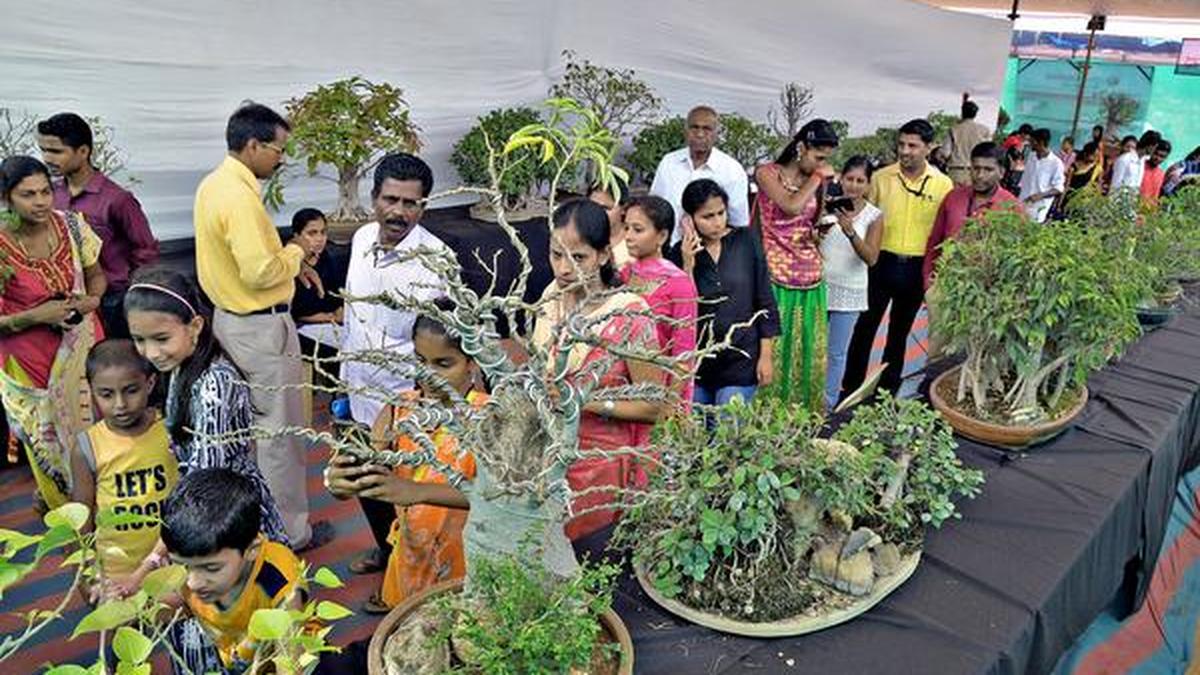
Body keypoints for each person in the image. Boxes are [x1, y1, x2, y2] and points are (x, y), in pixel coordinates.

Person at [193, 103, 327, 550]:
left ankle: (248, 527)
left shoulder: (213, 185)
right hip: (262, 330)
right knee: (280, 438)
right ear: (252, 145)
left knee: (243, 433)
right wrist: (294, 254)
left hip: (232, 323)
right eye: (278, 149)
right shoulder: (239, 197)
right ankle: (289, 533)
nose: (282, 158)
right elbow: (260, 272)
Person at [325, 298, 483, 613]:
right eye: (420, 360)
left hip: (468, 567)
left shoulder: (490, 418)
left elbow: (499, 497)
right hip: (410, 558)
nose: (428, 376)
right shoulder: (398, 409)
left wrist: (417, 492)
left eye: (443, 363)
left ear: (472, 363)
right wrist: (339, 481)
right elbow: (368, 468)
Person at [124, 267, 291, 547]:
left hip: (231, 519)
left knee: (262, 586)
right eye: (139, 340)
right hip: (213, 512)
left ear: (195, 326)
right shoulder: (180, 366)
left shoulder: (215, 385)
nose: (150, 353)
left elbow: (204, 478)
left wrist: (153, 559)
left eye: (161, 339)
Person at [341, 153, 450, 576]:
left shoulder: (436, 261)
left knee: (409, 494)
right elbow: (354, 316)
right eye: (391, 200)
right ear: (374, 198)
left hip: (406, 405)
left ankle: (405, 577)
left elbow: (439, 346)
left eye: (410, 204)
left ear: (425, 206)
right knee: (366, 483)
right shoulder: (361, 239)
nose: (398, 212)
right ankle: (385, 554)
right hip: (358, 394)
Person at [534, 199, 669, 539]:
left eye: (578, 257)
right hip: (545, 459)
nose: (564, 269)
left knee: (587, 560)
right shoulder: (551, 297)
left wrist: (583, 400)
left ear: (604, 255)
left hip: (599, 469)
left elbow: (655, 407)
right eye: (556, 255)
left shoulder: (629, 315)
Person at [0, 156, 106, 510]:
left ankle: (105, 514)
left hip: (83, 347)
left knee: (98, 436)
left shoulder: (73, 227)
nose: (41, 201)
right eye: (28, 194)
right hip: (31, 363)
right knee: (51, 447)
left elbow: (96, 275)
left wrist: (92, 300)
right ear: (7, 198)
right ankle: (71, 524)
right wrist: (34, 316)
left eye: (46, 191)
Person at [841, 119, 953, 398]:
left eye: (913, 146)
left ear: (928, 148)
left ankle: (886, 391)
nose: (905, 151)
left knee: (899, 332)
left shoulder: (943, 184)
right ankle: (850, 387)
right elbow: (865, 216)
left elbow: (943, 229)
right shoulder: (881, 178)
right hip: (881, 263)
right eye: (902, 144)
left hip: (916, 266)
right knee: (865, 327)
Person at [162, 468, 310, 675]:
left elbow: (290, 664)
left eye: (211, 568)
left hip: (279, 660)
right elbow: (161, 606)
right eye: (183, 566)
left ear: (252, 550)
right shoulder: (190, 560)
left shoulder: (279, 583)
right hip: (231, 652)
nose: (193, 583)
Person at [69, 339, 177, 599]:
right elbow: (81, 522)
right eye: (106, 394)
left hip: (171, 562)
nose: (120, 404)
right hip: (114, 573)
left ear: (149, 384)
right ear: (91, 391)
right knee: (119, 629)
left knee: (177, 624)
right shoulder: (86, 447)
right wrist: (91, 579)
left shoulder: (170, 431)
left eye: (130, 390)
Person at [37, 113, 158, 340]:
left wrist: (130, 293)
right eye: (43, 150)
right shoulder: (50, 194)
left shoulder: (117, 199)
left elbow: (146, 250)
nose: (47, 158)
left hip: (112, 301)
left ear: (83, 151)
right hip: (68, 302)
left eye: (56, 151)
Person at [753, 119, 840, 411]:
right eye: (818, 157)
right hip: (775, 278)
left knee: (806, 354)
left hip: (811, 276)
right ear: (801, 147)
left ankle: (800, 418)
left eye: (826, 159)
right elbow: (789, 206)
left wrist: (821, 230)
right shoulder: (767, 173)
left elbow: (811, 221)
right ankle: (766, 418)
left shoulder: (818, 182)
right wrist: (817, 178)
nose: (822, 164)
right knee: (774, 352)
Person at [668, 179, 779, 406]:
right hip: (698, 362)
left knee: (728, 426)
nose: (717, 222)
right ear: (689, 219)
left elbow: (764, 298)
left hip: (742, 357)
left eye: (721, 213)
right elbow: (682, 309)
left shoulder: (746, 241)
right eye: (707, 217)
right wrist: (688, 265)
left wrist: (766, 357)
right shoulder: (677, 255)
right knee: (699, 433)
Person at [922, 142, 1022, 359]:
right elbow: (934, 242)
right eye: (975, 168)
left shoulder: (1013, 208)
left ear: (1002, 172)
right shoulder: (953, 198)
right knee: (938, 350)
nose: (979, 175)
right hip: (945, 290)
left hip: (987, 294)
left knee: (979, 355)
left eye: (988, 170)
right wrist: (929, 285)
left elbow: (1020, 258)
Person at [619, 194, 699, 403]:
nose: (628, 236)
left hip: (661, 390)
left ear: (662, 236)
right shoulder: (624, 274)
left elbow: (684, 353)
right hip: (621, 389)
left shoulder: (678, 283)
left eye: (638, 230)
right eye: (626, 228)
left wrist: (668, 403)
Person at [820, 156, 883, 410]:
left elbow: (871, 258)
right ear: (840, 178)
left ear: (868, 184)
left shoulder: (874, 216)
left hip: (850, 291)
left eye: (860, 181)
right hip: (819, 287)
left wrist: (850, 231)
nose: (854, 186)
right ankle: (805, 398)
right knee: (813, 349)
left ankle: (827, 405)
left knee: (836, 353)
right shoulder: (826, 208)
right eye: (849, 179)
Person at [650, 106, 749, 243]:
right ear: (686, 131)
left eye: (707, 129)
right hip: (668, 248)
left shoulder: (732, 170)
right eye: (694, 127)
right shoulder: (669, 163)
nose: (700, 134)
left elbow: (738, 223)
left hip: (711, 254)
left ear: (716, 134)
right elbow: (654, 207)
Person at [289, 208, 345, 371]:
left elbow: (335, 294)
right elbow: (296, 312)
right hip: (301, 328)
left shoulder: (326, 258)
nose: (319, 239)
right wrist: (329, 317)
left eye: (323, 233)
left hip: (331, 323)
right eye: (312, 233)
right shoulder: (290, 265)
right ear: (296, 236)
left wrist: (340, 310)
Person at [940, 97, 992, 187]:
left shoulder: (953, 130)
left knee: (955, 199)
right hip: (977, 171)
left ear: (962, 112)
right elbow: (988, 152)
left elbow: (945, 153)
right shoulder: (984, 131)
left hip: (956, 171)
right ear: (975, 114)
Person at [1018, 128, 1065, 223]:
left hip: (1038, 206)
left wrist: (1040, 195)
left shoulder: (1056, 163)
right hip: (1023, 200)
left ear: (1041, 142)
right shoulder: (1031, 156)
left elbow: (1058, 189)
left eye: (1032, 141)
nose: (1030, 143)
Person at [588, 183, 631, 268]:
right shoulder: (577, 235)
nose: (597, 213)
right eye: (593, 206)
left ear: (623, 209)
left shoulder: (636, 245)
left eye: (605, 208)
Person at [1110, 130, 1161, 198]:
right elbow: (1115, 185)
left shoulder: (1142, 161)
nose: (1154, 151)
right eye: (1155, 147)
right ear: (1150, 146)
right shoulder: (1125, 159)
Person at [1060, 141, 1104, 212]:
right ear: (1086, 154)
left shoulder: (1098, 169)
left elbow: (1098, 187)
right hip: (1070, 199)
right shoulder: (1074, 166)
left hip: (1084, 201)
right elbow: (1067, 185)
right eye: (1093, 155)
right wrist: (1059, 203)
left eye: (1097, 156)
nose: (1095, 158)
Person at [1140, 140, 1171, 208]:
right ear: (1152, 151)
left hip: (1147, 213)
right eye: (1156, 154)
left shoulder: (1161, 174)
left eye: (1162, 156)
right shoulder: (1140, 166)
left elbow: (1155, 197)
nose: (1158, 158)